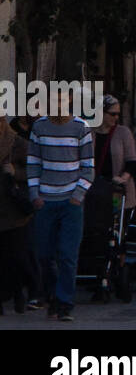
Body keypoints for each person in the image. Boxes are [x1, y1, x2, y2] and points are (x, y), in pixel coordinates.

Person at [26, 97, 93, 321]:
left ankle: (64, 302)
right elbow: (33, 162)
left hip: (70, 201)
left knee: (67, 254)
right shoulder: (39, 127)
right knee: (44, 253)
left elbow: (88, 167)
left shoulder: (81, 128)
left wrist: (77, 195)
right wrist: (35, 193)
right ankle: (51, 294)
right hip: (46, 199)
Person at [0, 115, 36, 315]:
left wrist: (15, 172)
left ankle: (18, 294)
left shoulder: (16, 142)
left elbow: (34, 168)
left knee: (15, 258)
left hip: (13, 210)